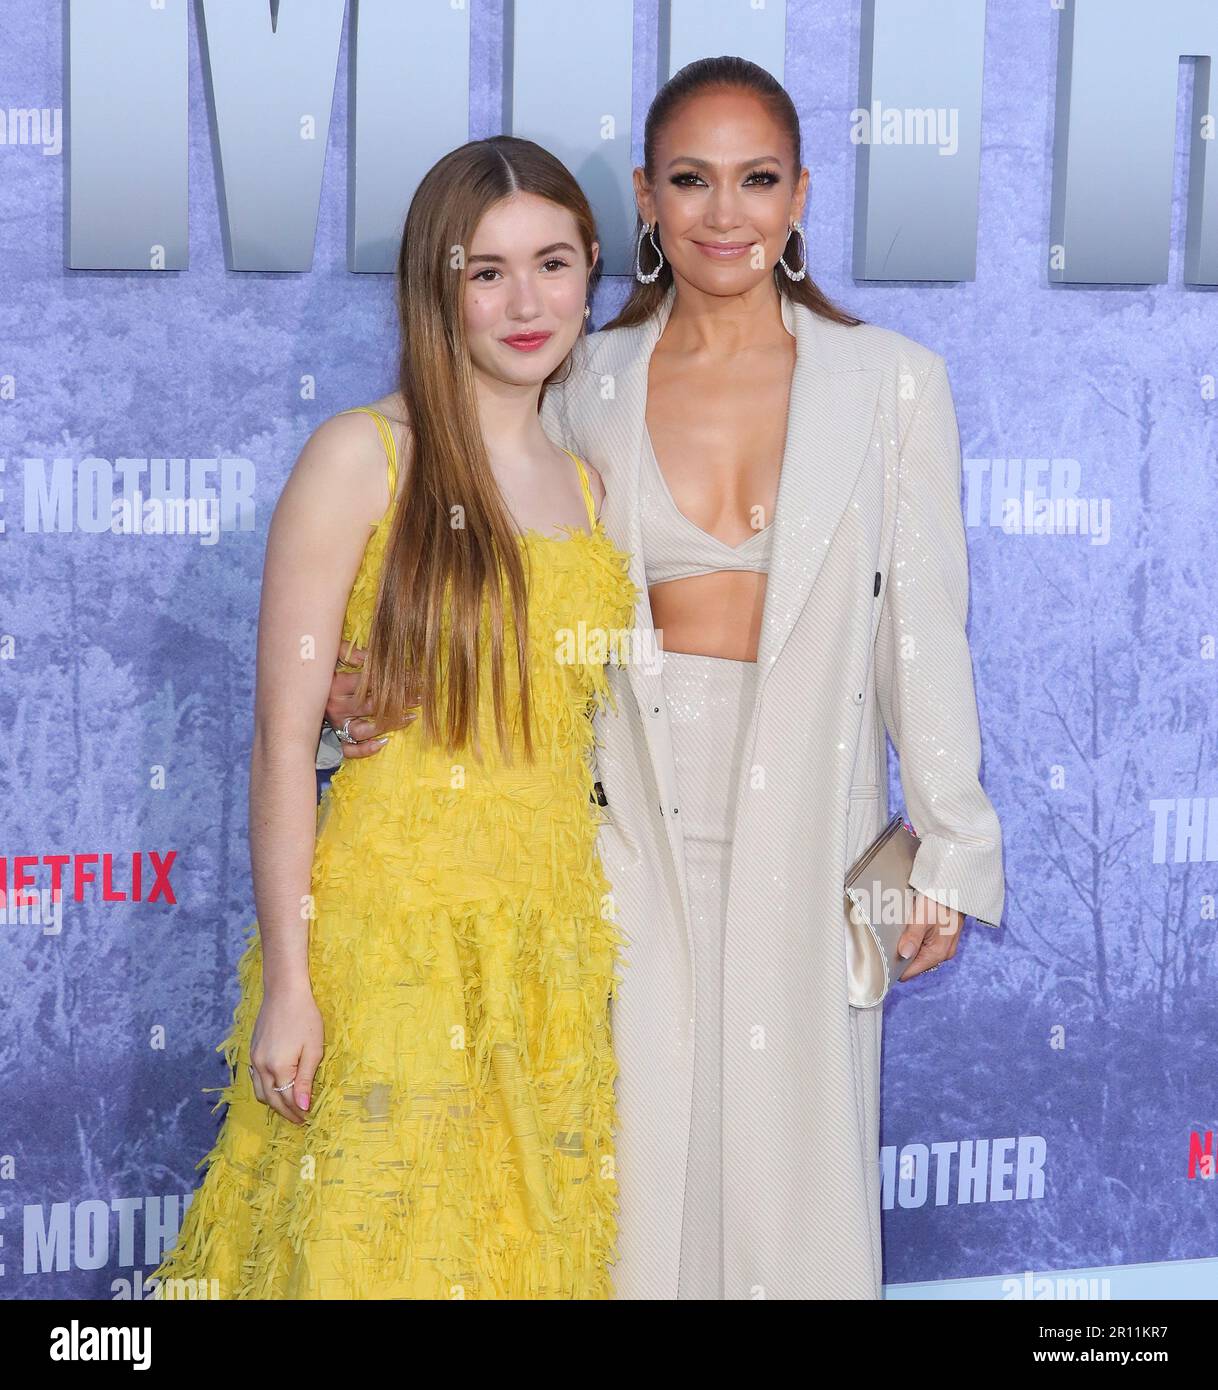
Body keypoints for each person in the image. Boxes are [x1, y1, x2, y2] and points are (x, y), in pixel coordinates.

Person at [323, 58, 1005, 1301]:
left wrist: (949, 845)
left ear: (802, 195)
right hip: (614, 818)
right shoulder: (585, 377)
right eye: (691, 179)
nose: (724, 213)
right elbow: (481, 554)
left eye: (756, 179)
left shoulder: (893, 382)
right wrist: (367, 674)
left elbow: (925, 628)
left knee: (797, 1176)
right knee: (629, 1169)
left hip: (817, 810)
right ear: (644, 196)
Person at [151, 136, 637, 1300]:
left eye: (555, 263)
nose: (528, 302)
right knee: (373, 1256)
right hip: (392, 943)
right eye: (488, 271)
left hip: (547, 952)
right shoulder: (362, 456)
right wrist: (290, 986)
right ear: (438, 285)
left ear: (591, 272)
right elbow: (280, 741)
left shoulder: (587, 482)